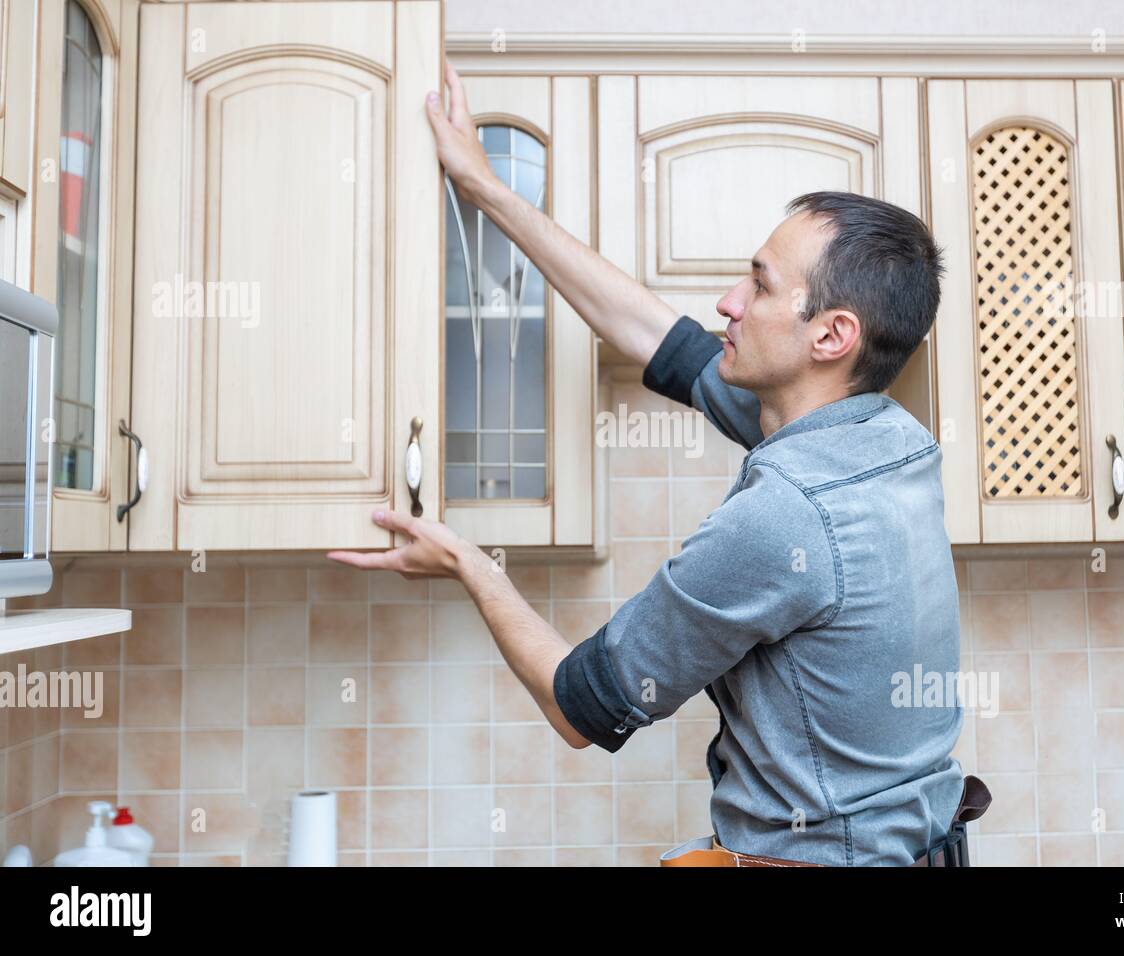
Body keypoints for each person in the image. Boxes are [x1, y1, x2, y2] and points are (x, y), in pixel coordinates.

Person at [329, 61, 972, 866]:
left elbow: (578, 706)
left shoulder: (786, 516)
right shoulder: (884, 441)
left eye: (759, 287)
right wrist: (487, 189)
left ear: (831, 336)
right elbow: (655, 339)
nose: (728, 302)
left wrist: (467, 562)